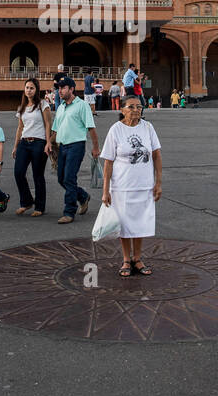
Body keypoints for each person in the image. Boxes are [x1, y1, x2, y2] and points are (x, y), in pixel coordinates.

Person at [100, 92, 163, 277]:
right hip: (121, 186)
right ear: (122, 109)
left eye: (139, 107)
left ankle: (138, 258)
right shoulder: (116, 130)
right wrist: (105, 190)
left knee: (140, 223)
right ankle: (126, 259)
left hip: (144, 184)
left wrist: (158, 182)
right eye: (131, 107)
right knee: (125, 225)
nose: (136, 110)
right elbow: (108, 162)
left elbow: (156, 155)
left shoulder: (148, 127)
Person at [48, 76, 99, 224]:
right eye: (58, 88)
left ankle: (69, 212)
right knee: (61, 179)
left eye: (63, 88)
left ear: (71, 89)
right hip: (62, 147)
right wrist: (48, 143)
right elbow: (55, 130)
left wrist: (96, 147)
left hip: (76, 146)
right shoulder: (61, 107)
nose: (60, 91)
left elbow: (91, 128)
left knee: (69, 178)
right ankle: (83, 197)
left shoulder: (82, 105)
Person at [13, 77, 52, 217]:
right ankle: (26, 201)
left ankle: (40, 207)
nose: (28, 90)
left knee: (38, 175)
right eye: (27, 87)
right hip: (24, 142)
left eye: (31, 88)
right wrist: (15, 146)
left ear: (36, 90)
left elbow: (48, 124)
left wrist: (48, 142)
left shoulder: (43, 104)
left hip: (39, 142)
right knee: (18, 172)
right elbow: (20, 127)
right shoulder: (21, 108)